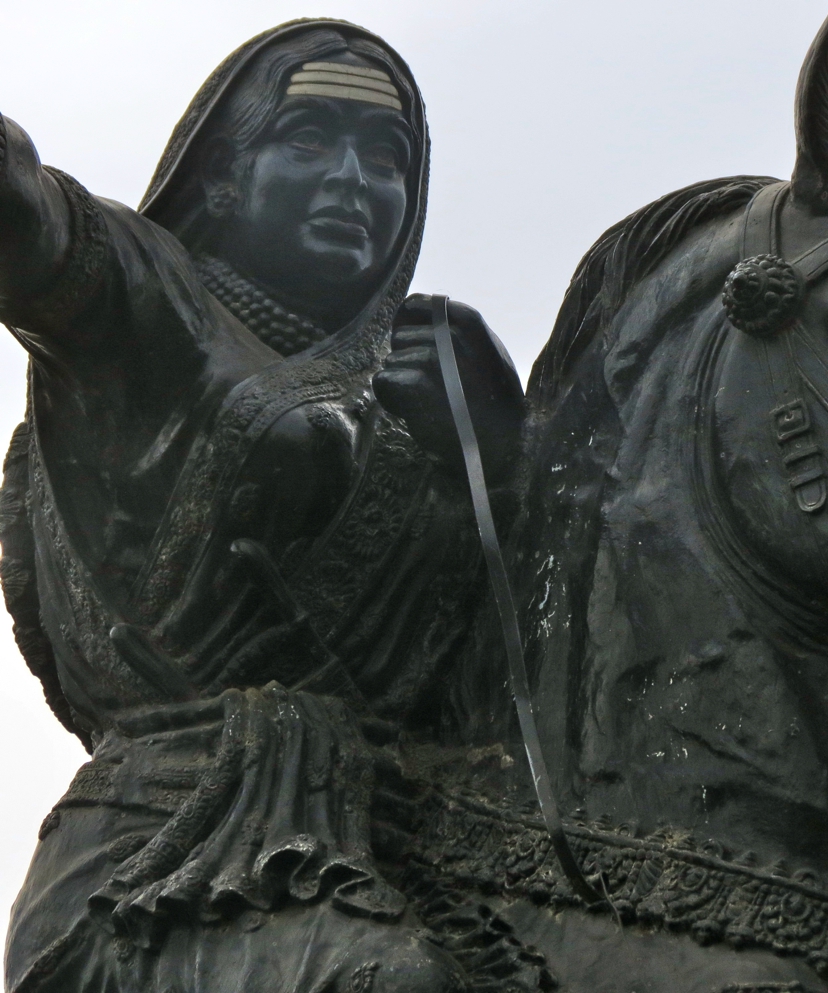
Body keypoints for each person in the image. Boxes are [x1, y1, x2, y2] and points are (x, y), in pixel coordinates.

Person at [0, 19, 524, 993]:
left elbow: (533, 680)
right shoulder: (145, 309)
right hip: (173, 860)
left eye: (386, 156)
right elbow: (32, 226)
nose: (353, 179)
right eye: (309, 139)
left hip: (422, 849)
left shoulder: (437, 384)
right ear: (226, 174)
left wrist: (506, 466)